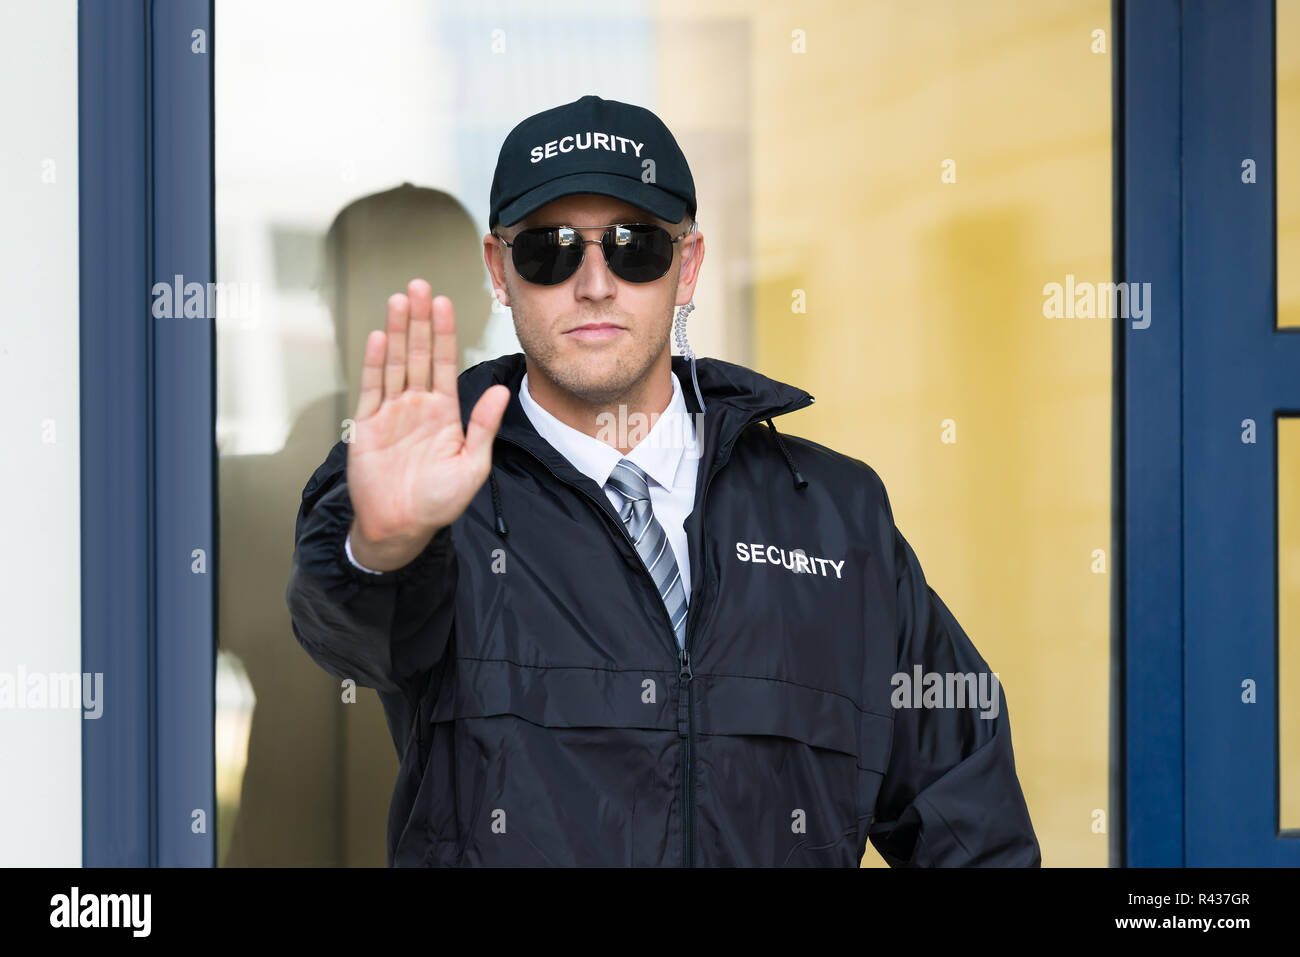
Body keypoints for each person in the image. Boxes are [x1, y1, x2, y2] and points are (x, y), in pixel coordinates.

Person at [285, 93, 1041, 867]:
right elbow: (348, 633)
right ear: (498, 270)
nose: (594, 282)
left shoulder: (837, 519)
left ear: (687, 267)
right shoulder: (440, 494)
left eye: (633, 244)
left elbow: (970, 820)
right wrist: (380, 547)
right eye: (548, 248)